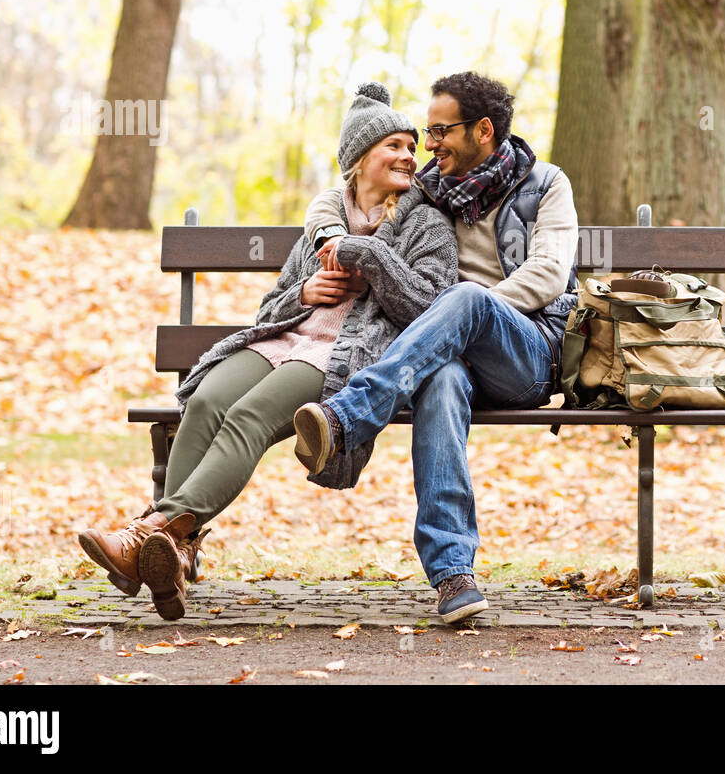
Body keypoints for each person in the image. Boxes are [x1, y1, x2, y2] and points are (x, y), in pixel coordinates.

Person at [77, 83, 457, 619]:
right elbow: (270, 305)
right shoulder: (322, 228)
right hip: (286, 340)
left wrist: (371, 256)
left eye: (410, 147)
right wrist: (303, 293)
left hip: (346, 358)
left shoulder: (426, 224)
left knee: (248, 417)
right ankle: (177, 553)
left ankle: (149, 533)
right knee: (206, 401)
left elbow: (432, 310)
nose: (407, 156)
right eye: (393, 146)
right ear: (358, 159)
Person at [293, 70, 579, 623]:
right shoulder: (430, 186)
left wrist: (475, 311)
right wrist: (331, 237)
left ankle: (350, 414)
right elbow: (336, 193)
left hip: (529, 351)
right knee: (443, 379)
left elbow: (547, 275)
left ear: (484, 131)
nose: (429, 145)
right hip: (446, 356)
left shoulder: (547, 185)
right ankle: (453, 576)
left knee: (467, 300)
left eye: (440, 131)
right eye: (426, 133)